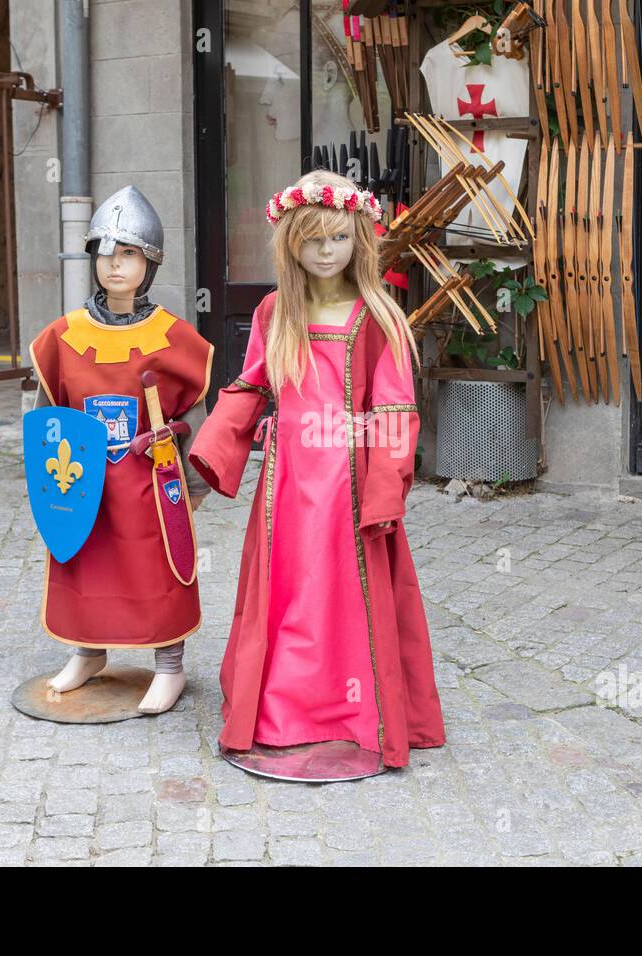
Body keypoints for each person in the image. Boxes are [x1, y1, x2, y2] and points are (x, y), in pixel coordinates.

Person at [189, 169, 446, 769]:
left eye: (337, 238)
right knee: (290, 592)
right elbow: (251, 382)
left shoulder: (378, 317)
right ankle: (282, 708)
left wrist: (386, 487)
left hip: (351, 484)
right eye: (312, 240)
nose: (325, 251)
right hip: (287, 481)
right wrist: (210, 456)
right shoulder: (275, 310)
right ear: (290, 244)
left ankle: (351, 710)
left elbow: (395, 408)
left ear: (360, 238)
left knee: (346, 595)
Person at [29, 186, 212, 714]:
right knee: (86, 563)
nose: (115, 264)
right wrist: (48, 487)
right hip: (82, 483)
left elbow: (196, 420)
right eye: (106, 251)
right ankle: (88, 651)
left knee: (157, 566)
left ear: (149, 263)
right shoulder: (62, 337)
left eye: (128, 253)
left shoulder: (176, 338)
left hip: (151, 480)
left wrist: (195, 483)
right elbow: (45, 419)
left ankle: (169, 665)